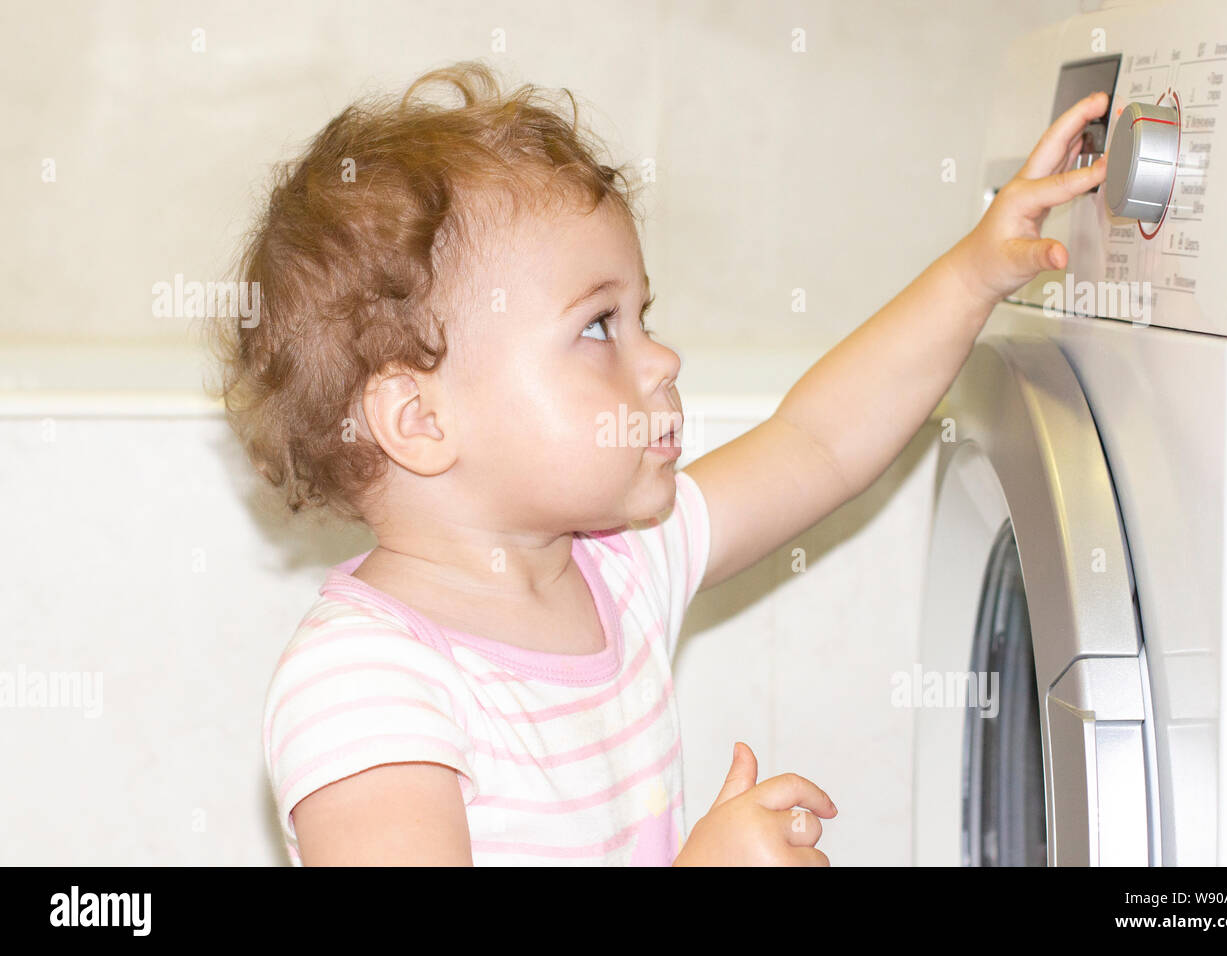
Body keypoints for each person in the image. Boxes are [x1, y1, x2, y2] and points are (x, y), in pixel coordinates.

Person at [207, 60, 1108, 865]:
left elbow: (820, 443)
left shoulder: (620, 571)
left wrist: (975, 272)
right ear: (419, 420)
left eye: (646, 315)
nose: (662, 359)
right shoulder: (366, 687)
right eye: (598, 325)